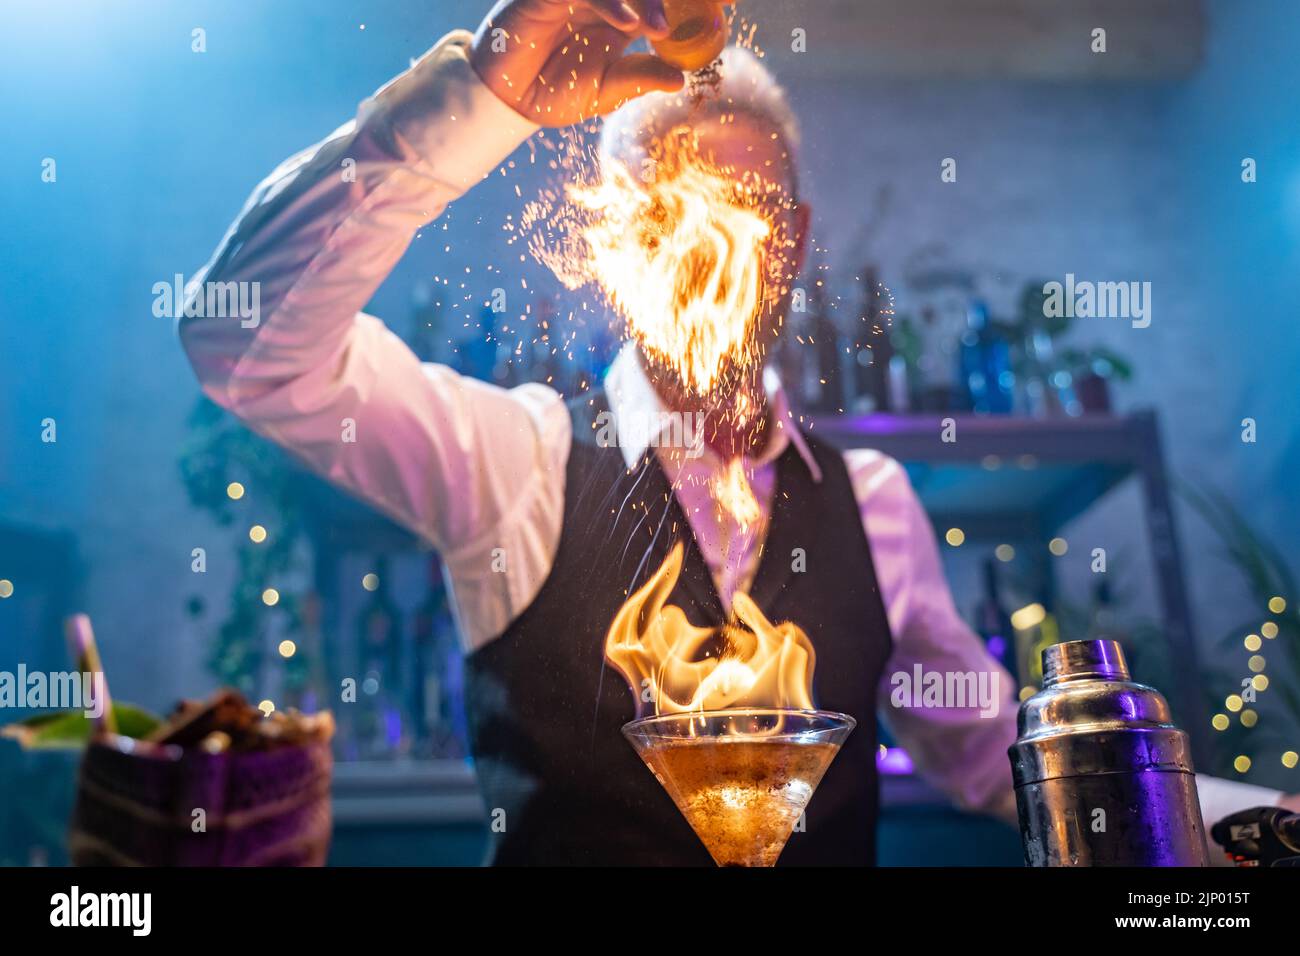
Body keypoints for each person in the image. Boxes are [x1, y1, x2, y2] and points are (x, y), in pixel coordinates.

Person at [178, 0, 1294, 864]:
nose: (707, 255)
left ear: (797, 240)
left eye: (747, 219)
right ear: (613, 237)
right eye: (667, 217)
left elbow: (1001, 761)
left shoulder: (874, 501)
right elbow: (248, 348)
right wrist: (486, 89)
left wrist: (1261, 817)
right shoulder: (511, 460)